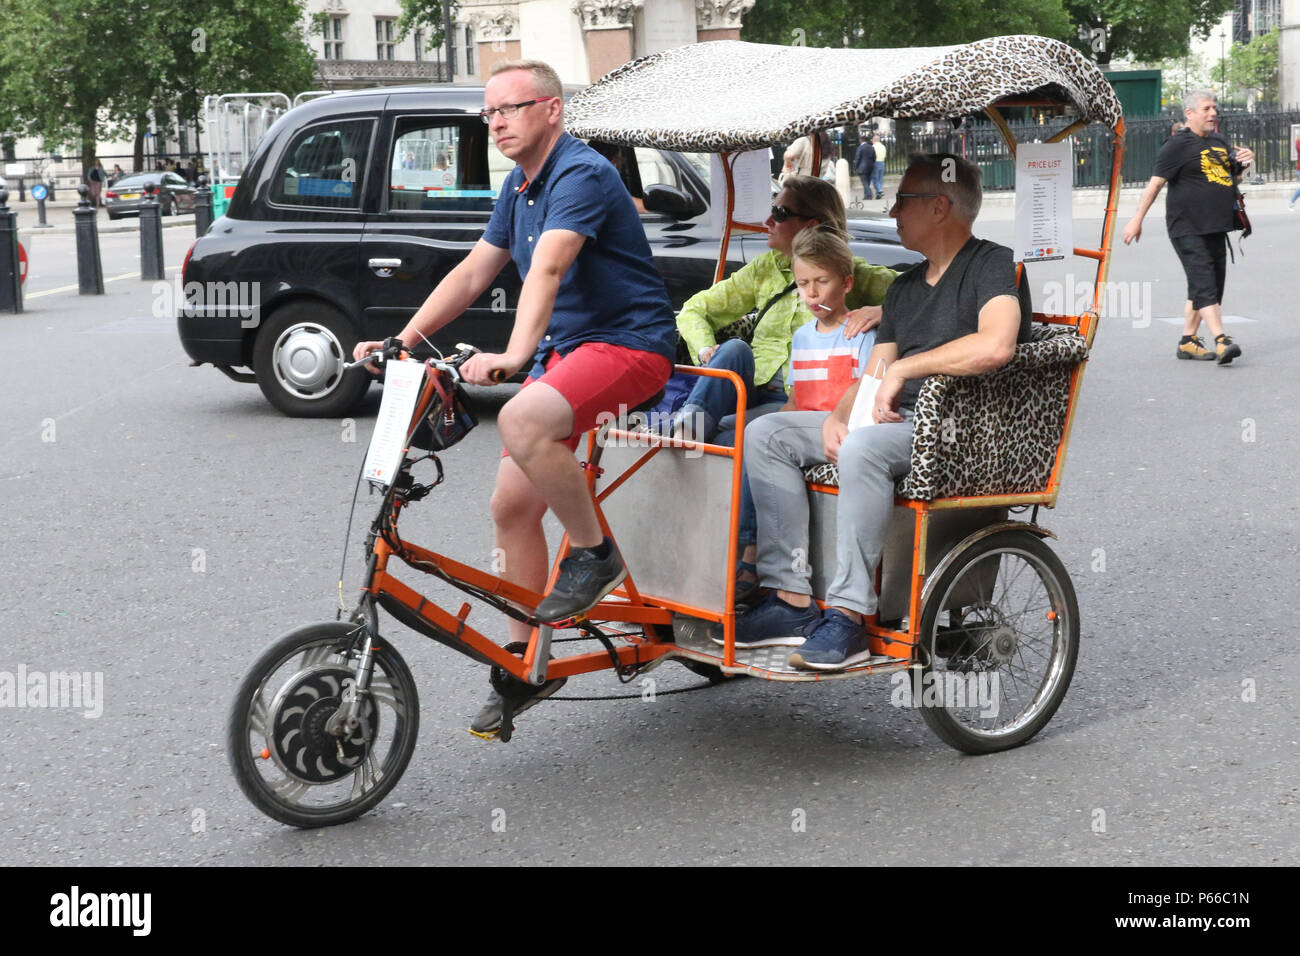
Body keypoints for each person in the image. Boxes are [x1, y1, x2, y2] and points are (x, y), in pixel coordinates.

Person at [350, 59, 677, 734]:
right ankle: (525, 660)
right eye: (488, 112)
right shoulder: (520, 186)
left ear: (552, 109)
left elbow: (550, 267)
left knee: (524, 418)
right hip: (572, 353)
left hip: (630, 346)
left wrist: (517, 356)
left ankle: (595, 555)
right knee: (510, 507)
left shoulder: (582, 173)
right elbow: (475, 271)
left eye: (511, 108)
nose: (496, 121)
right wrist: (404, 341)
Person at [727, 153, 1027, 669]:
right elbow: (875, 371)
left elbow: (997, 344)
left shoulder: (992, 263)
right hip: (892, 422)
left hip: (957, 427)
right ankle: (790, 598)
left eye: (902, 201)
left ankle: (847, 616)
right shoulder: (906, 286)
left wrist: (906, 372)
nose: (892, 213)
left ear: (939, 207)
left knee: (863, 447)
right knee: (766, 432)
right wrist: (837, 415)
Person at [671, 174, 896, 445]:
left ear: (810, 225)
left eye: (779, 213)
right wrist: (706, 349)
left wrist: (883, 311)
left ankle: (699, 444)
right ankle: (686, 432)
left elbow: (921, 295)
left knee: (729, 439)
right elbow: (694, 310)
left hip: (797, 397)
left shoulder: (849, 274)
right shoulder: (764, 268)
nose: (767, 222)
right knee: (734, 349)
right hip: (749, 386)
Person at [724, 225, 878, 606]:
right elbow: (795, 400)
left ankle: (752, 557)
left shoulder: (859, 332)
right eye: (803, 282)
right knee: (732, 433)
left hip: (837, 431)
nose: (811, 293)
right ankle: (729, 551)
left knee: (758, 433)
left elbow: (867, 385)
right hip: (801, 425)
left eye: (821, 282)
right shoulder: (802, 337)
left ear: (846, 283)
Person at [1122, 90, 1252, 364]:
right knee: (1204, 282)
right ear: (1190, 113)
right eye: (1206, 108)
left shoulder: (1218, 141)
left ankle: (1188, 341)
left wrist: (1244, 165)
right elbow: (1156, 183)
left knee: (1208, 286)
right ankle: (1221, 339)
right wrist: (1137, 219)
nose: (1213, 113)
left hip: (1216, 226)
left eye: (1214, 108)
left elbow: (1231, 181)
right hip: (1187, 227)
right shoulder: (1176, 145)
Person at [854, 131, 877, 199]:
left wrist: (855, 168)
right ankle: (866, 196)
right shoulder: (871, 147)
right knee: (868, 182)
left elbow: (857, 158)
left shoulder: (860, 148)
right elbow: (874, 157)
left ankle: (870, 194)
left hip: (862, 168)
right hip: (870, 167)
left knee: (865, 183)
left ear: (861, 140)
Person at [871, 135, 887, 202]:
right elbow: (885, 155)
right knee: (880, 179)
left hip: (875, 163)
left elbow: (872, 156)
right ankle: (878, 193)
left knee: (874, 179)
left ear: (874, 140)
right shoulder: (883, 146)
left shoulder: (873, 147)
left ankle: (880, 191)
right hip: (882, 162)